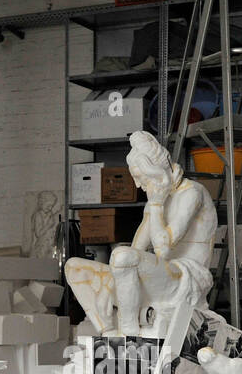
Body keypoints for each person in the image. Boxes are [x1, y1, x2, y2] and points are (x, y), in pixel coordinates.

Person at [65, 131, 217, 337]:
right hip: (161, 275)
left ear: (155, 172)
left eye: (140, 177)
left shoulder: (192, 193)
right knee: (74, 267)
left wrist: (156, 203)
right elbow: (135, 249)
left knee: (121, 256)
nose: (137, 184)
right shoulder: (155, 199)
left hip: (186, 278)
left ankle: (128, 335)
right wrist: (111, 284)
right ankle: (109, 332)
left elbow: (163, 248)